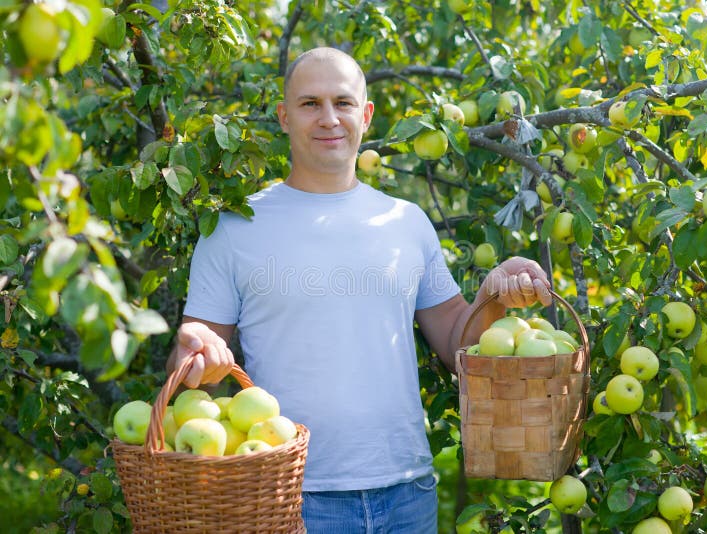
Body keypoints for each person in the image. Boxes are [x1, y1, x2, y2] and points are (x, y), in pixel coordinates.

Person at [167, 47, 552, 533]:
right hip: (288, 493)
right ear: (284, 117)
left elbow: (458, 342)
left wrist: (494, 293)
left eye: (343, 103)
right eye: (310, 104)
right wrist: (197, 360)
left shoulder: (406, 222)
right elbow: (192, 369)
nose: (329, 118)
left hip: (408, 494)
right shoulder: (233, 228)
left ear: (365, 115)